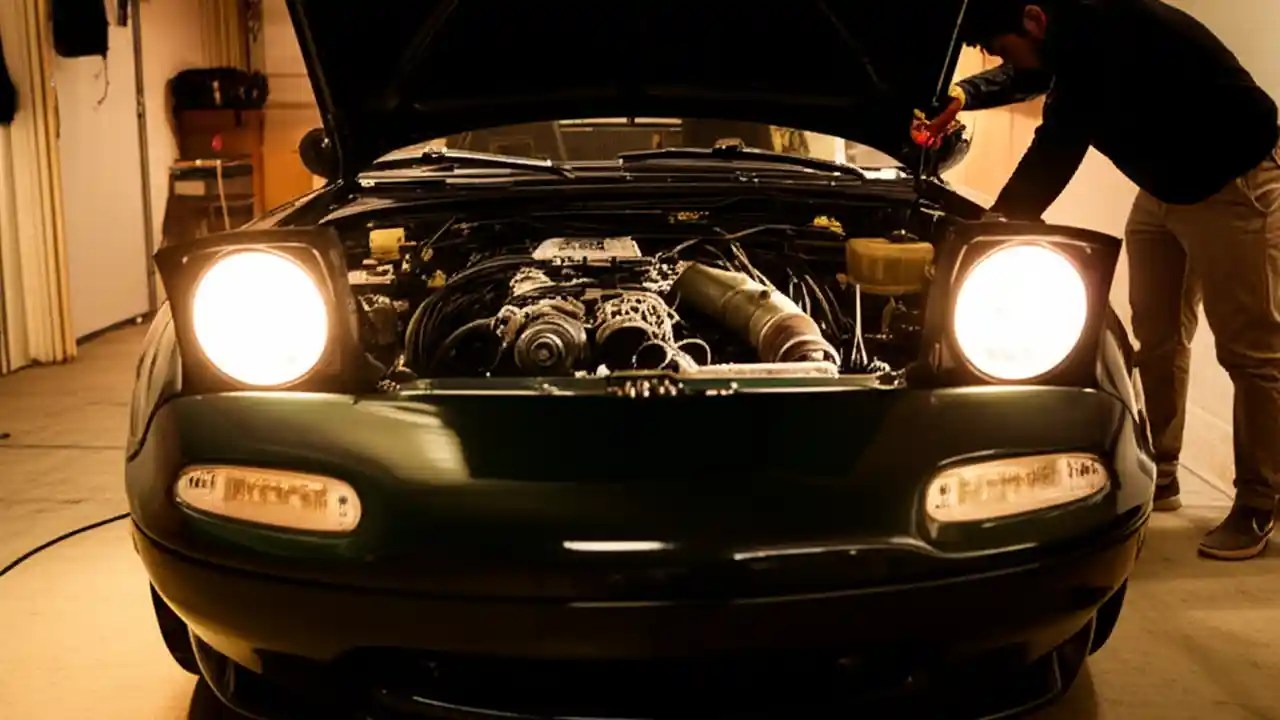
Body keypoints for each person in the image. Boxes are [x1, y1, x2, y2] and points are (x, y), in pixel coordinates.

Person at [918, 0, 1280, 560]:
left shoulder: (1109, 35)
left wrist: (989, 230)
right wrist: (965, 94)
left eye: (1001, 44)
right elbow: (1030, 70)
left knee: (1252, 354)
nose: (1002, 58)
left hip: (1236, 186)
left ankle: (1259, 503)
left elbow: (1057, 144)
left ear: (1034, 19)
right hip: (1164, 189)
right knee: (1156, 337)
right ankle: (1162, 468)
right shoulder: (1068, 33)